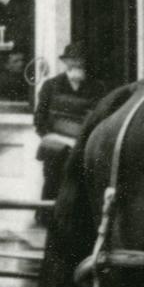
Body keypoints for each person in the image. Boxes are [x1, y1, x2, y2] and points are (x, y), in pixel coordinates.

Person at [31, 41, 103, 204]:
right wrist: (55, 140)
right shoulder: (51, 86)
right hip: (54, 151)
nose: (76, 64)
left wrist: (82, 143)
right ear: (65, 63)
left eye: (80, 60)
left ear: (85, 63)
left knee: (79, 196)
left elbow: (100, 121)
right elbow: (39, 120)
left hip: (82, 151)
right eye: (72, 60)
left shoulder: (97, 88)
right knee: (52, 193)